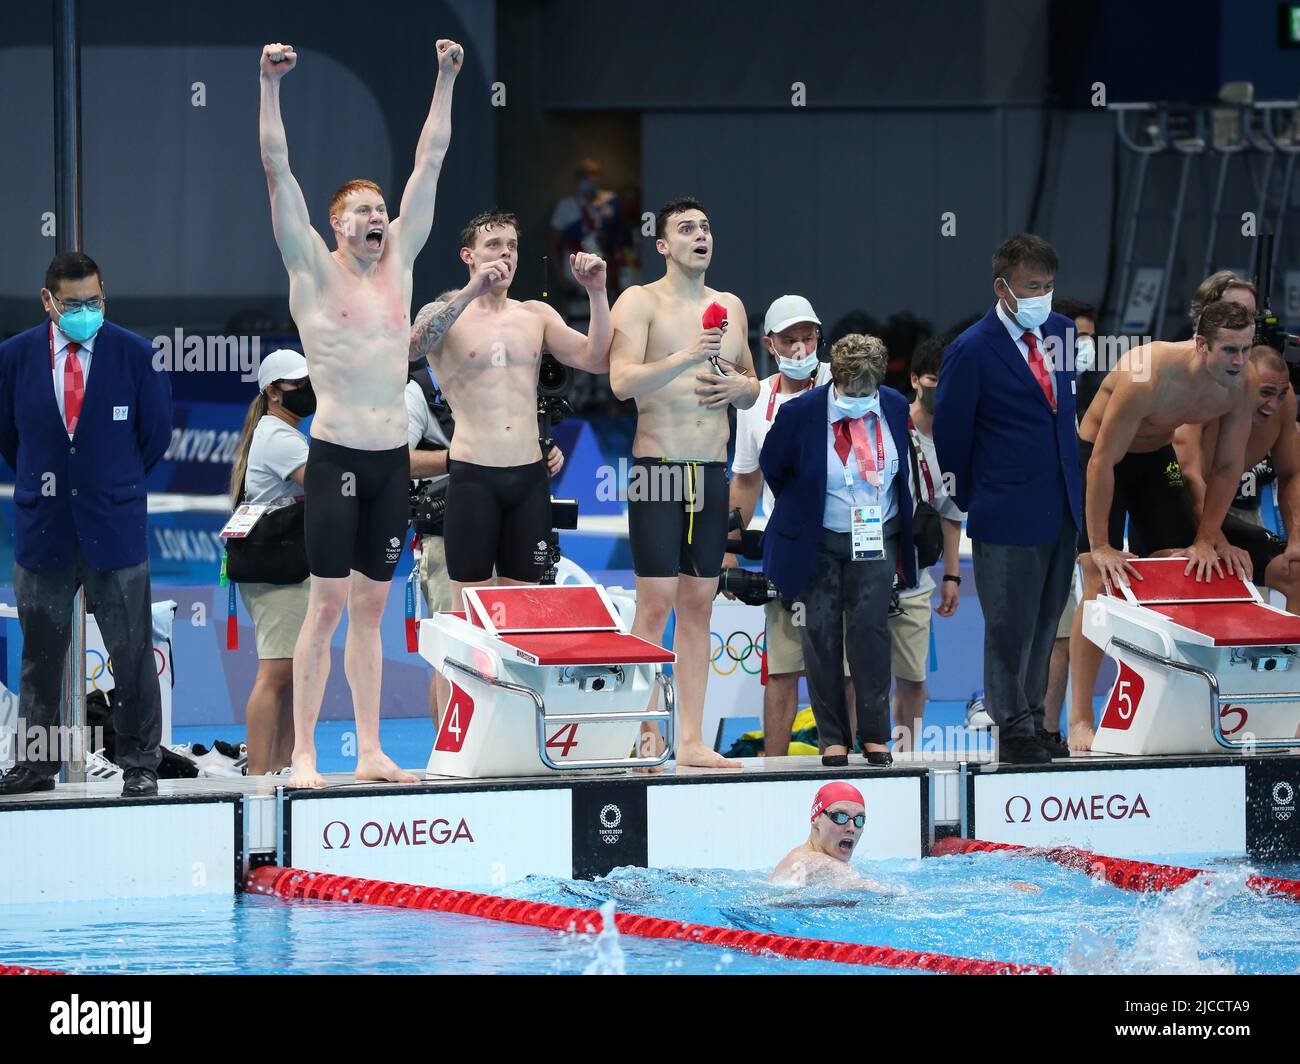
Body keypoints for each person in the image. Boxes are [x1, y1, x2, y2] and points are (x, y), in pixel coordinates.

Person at [258, 39, 463, 787]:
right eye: (364, 211)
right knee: (327, 607)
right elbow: (277, 171)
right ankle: (306, 755)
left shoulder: (402, 264)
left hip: (388, 465)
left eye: (383, 209)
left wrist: (443, 77)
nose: (379, 217)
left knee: (374, 614)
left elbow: (430, 162)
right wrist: (268, 87)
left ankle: (373, 749)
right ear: (337, 224)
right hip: (338, 456)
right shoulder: (311, 269)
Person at [0, 251, 172, 796]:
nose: (86, 310)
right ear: (48, 301)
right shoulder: (13, 357)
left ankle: (140, 764)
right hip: (43, 526)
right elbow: (9, 438)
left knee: (132, 653)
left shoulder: (136, 355)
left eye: (94, 301)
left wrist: (109, 486)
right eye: (74, 303)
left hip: (114, 527)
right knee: (39, 657)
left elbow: (155, 438)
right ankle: (36, 765)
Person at [1066, 300, 1257, 751]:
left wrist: (1209, 539)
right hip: (1098, 459)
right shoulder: (1147, 373)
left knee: (1180, 565)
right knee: (1098, 576)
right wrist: (1101, 545)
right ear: (1201, 345)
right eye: (1229, 349)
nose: (1239, 361)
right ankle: (1079, 716)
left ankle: (1164, 705)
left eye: (1246, 349)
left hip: (1156, 462)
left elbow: (1228, 466)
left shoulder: (1239, 384)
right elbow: (1101, 462)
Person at [609, 197, 759, 769]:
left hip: (710, 471)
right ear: (664, 245)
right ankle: (645, 732)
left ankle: (691, 739)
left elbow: (752, 382)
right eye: (687, 229)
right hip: (658, 471)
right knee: (655, 603)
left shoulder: (732, 307)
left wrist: (739, 390)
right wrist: (686, 356)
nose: (701, 235)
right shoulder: (641, 301)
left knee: (701, 604)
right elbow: (621, 381)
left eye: (706, 226)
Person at [408, 212, 608, 611]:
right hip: (473, 478)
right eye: (494, 245)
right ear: (468, 255)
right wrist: (471, 290)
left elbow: (597, 358)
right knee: (468, 613)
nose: (506, 254)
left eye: (512, 246)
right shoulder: (445, 314)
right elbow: (412, 348)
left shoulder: (535, 314)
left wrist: (597, 292)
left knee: (523, 611)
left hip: (529, 481)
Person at [933, 233, 1081, 765]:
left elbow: (1065, 415)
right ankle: (1012, 726)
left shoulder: (1062, 331)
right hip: (1003, 509)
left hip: (1062, 504)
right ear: (1003, 287)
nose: (1042, 294)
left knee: (1046, 623)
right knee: (1008, 626)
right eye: (1031, 286)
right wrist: (977, 496)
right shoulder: (970, 349)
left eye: (1048, 285)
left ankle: (1036, 718)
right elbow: (950, 436)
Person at [761, 334, 916, 768]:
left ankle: (875, 736)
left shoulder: (894, 405)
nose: (860, 399)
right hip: (820, 539)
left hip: (875, 535)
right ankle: (832, 738)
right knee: (820, 635)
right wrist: (808, 507)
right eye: (852, 392)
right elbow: (775, 467)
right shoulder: (800, 414)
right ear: (835, 378)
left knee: (871, 633)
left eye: (868, 393)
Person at [405, 316, 567, 722]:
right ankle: (451, 740)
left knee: (514, 637)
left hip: (512, 508)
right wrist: (461, 461)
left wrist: (539, 454)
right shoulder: (419, 390)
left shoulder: (504, 373)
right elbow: (397, 459)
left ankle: (505, 736)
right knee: (457, 641)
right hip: (448, 525)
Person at [727, 294, 833, 756]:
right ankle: (773, 769)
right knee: (783, 668)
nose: (800, 348)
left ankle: (845, 761)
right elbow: (746, 480)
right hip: (790, 549)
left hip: (845, 544)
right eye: (789, 340)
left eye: (808, 338)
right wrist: (727, 549)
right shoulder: (753, 401)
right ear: (769, 344)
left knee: (846, 668)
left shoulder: (842, 383)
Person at [228, 349, 313, 776]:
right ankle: (260, 775)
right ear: (274, 392)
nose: (308, 391)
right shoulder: (279, 437)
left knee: (294, 674)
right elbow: (326, 484)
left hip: (282, 568)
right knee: (277, 674)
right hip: (278, 572)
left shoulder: (279, 430)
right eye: (300, 384)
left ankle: (281, 766)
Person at [1173, 344, 1300, 611]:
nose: (1273, 405)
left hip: (1216, 510)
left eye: (1281, 394)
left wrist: (1296, 540)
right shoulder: (1204, 399)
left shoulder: (1283, 406)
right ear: (1243, 381)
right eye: (1266, 393)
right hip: (1174, 502)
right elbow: (1190, 477)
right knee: (1198, 566)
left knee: (1294, 570)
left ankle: (1290, 651)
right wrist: (1216, 542)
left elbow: (1291, 474)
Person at [890, 337, 964, 752]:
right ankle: (856, 756)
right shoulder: (887, 424)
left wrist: (951, 574)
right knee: (856, 676)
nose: (941, 388)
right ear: (916, 380)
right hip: (870, 569)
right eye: (934, 379)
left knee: (913, 679)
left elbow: (951, 514)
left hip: (916, 579)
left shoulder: (955, 440)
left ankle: (906, 756)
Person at [769, 782, 889, 890]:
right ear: (815, 818)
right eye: (840, 817)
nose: (851, 828)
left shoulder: (797, 856)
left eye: (859, 819)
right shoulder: (820, 864)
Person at [549, 159, 622, 306]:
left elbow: (620, 239)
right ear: (577, 179)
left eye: (594, 174)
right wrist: (560, 277)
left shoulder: (611, 201)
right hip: (574, 274)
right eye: (585, 175)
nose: (590, 178)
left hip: (606, 271)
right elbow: (553, 245)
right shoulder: (567, 206)